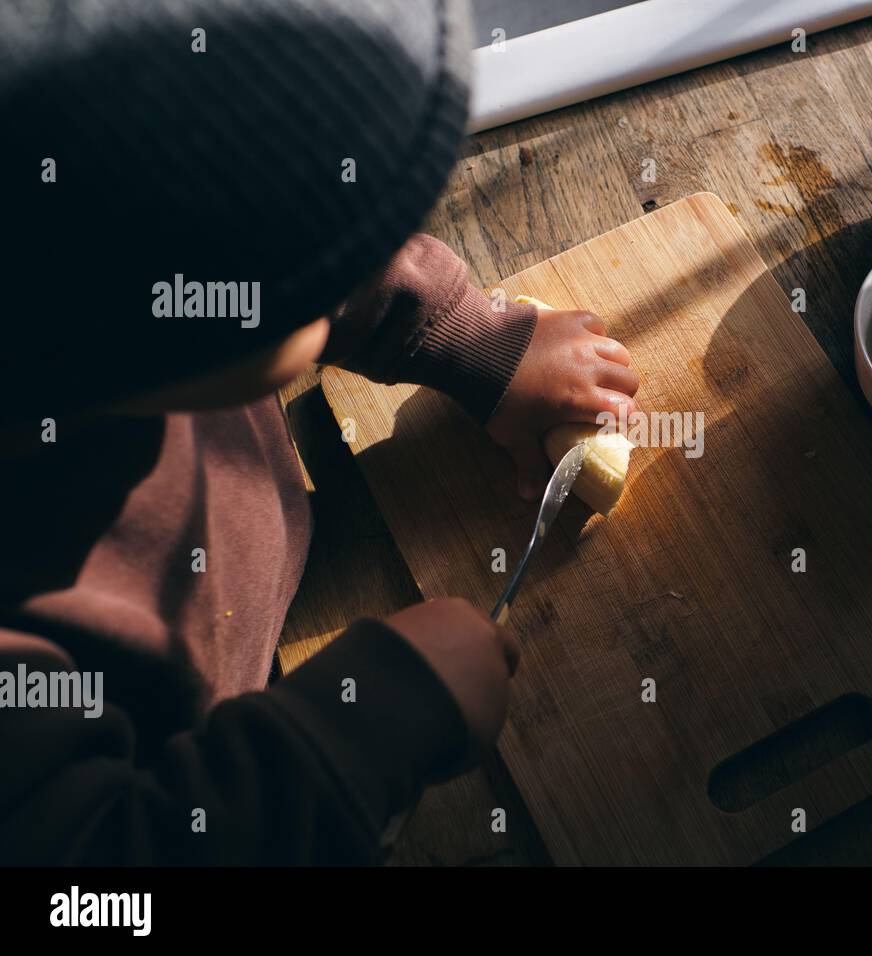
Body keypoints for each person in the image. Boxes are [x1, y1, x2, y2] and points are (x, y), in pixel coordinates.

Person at [0, 0, 638, 863]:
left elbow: (282, 234)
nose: (349, 272)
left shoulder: (105, 287)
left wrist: (464, 336)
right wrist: (357, 730)